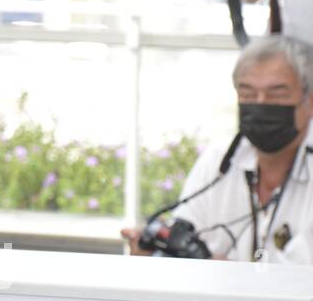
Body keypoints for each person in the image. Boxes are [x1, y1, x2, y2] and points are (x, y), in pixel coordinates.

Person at [122, 36, 313, 264]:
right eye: (248, 94)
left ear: (309, 100)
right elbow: (185, 236)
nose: (260, 103)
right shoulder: (219, 159)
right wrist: (156, 256)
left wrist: (222, 271)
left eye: (276, 94)